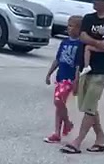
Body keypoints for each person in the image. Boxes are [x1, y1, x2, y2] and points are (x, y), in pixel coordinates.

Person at [62, 0, 104, 154]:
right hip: (85, 67)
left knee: (89, 106)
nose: (94, 1)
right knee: (88, 105)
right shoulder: (89, 18)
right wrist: (97, 43)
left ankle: (77, 142)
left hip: (102, 68)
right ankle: (101, 139)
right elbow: (82, 36)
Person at [44, 15, 84, 144]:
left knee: (58, 101)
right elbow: (58, 59)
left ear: (79, 29)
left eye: (72, 26)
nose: (69, 28)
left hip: (70, 79)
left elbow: (79, 64)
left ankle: (67, 123)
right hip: (61, 76)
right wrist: (49, 73)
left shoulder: (80, 44)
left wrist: (76, 80)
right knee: (59, 104)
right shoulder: (64, 42)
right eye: (68, 25)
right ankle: (57, 132)